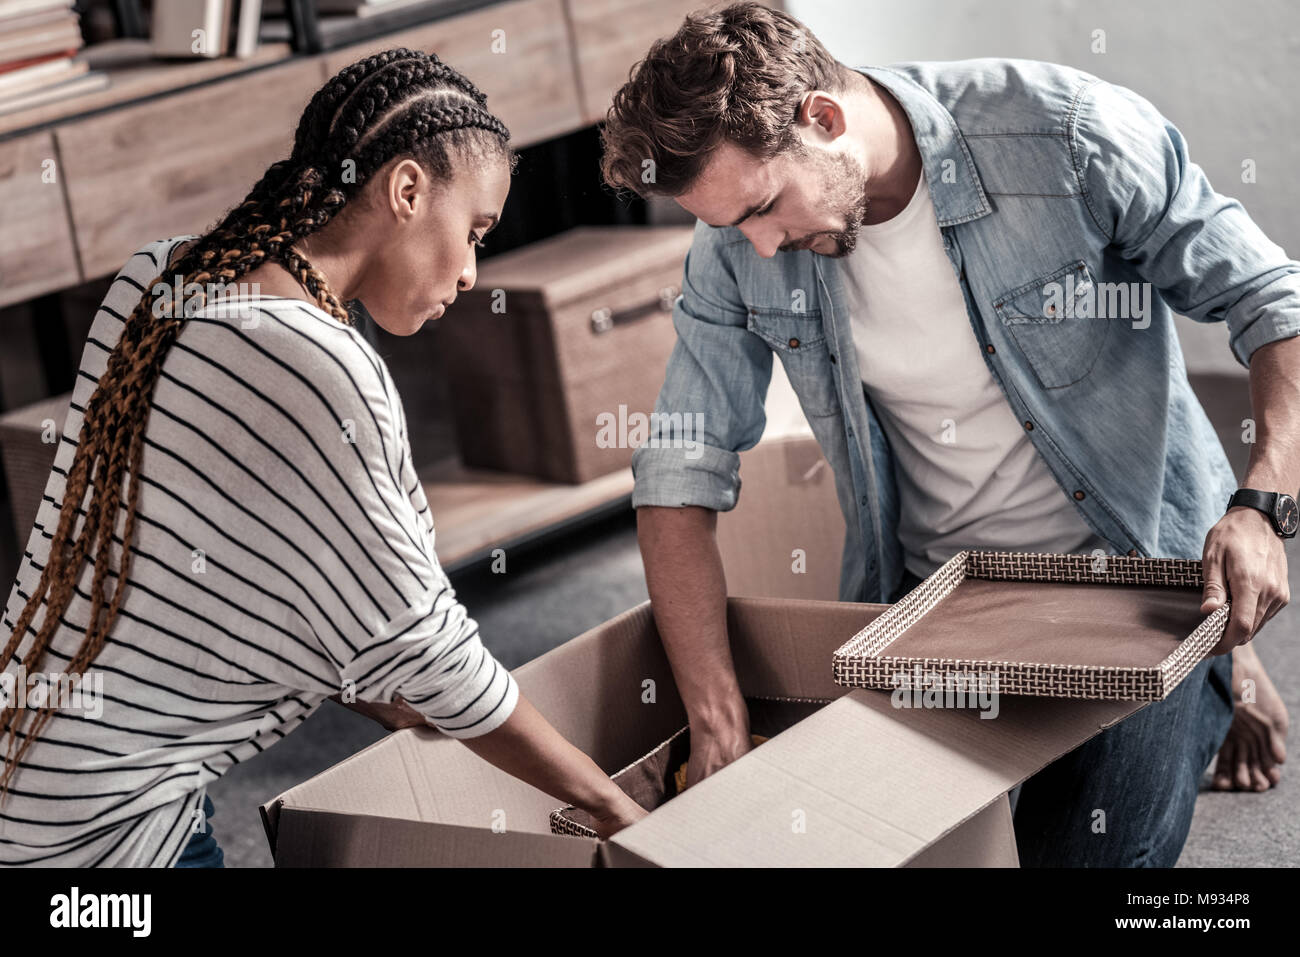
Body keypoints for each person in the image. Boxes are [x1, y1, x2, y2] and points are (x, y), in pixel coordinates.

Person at [599, 3, 1295, 865]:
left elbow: (1273, 300)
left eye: (765, 207)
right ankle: (1222, 688)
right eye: (729, 225)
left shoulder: (1063, 134)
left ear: (823, 117)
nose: (761, 249)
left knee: (1073, 854)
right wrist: (717, 719)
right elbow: (676, 473)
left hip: (1134, 589)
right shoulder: (739, 247)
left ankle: (1220, 677)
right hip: (932, 601)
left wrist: (1263, 505)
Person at [0, 47, 645, 868]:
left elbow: (233, 563)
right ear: (407, 191)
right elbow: (431, 645)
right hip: (112, 836)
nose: (472, 271)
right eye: (475, 230)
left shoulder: (159, 273)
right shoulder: (322, 364)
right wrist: (611, 803)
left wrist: (374, 685)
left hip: (28, 769)